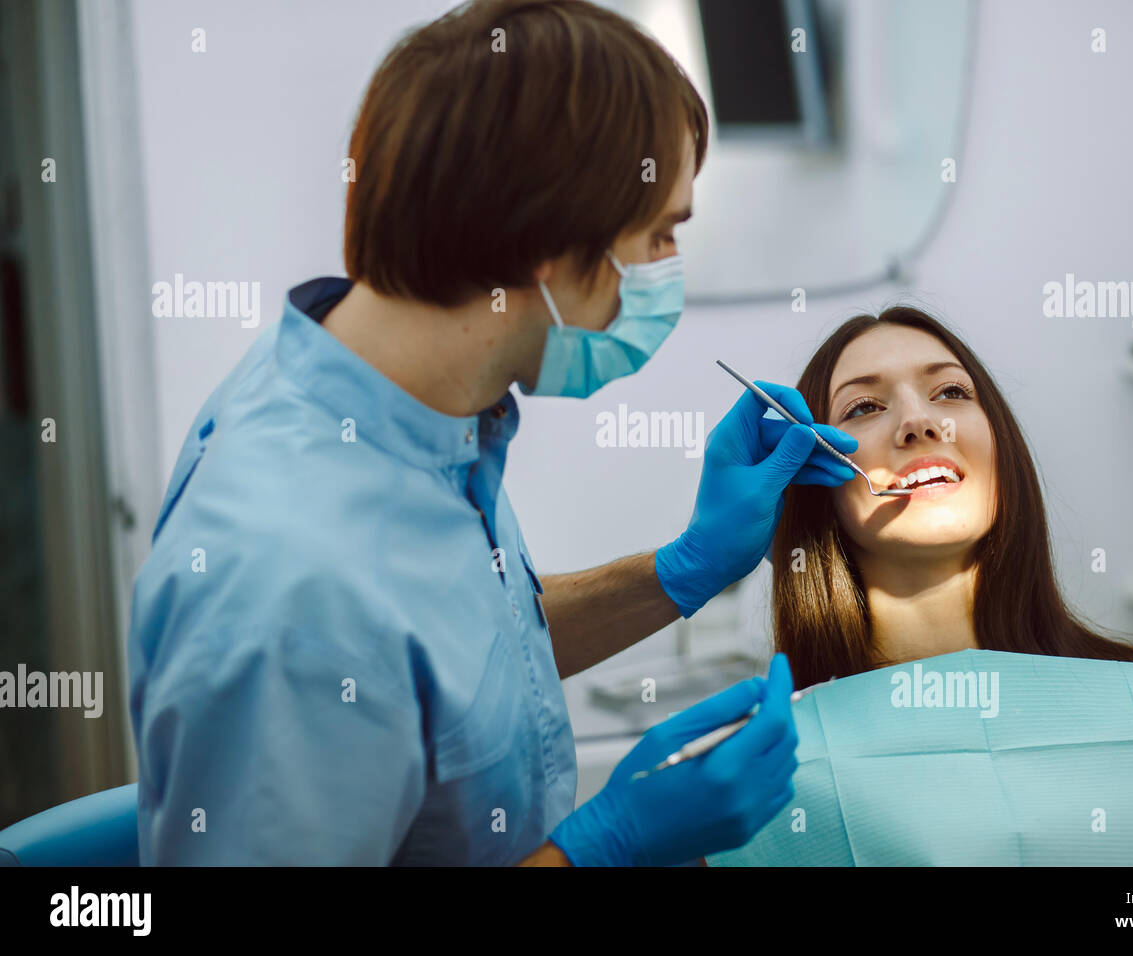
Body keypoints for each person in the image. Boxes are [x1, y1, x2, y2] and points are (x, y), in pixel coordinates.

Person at [127, 0, 862, 866]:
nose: (669, 271)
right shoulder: (291, 587)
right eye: (660, 233)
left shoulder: (406, 403)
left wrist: (682, 569)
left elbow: (462, 659)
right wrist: (603, 846)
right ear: (546, 241)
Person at [763, 306, 1133, 864]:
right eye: (864, 407)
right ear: (814, 484)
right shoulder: (773, 769)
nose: (920, 422)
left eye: (951, 393)